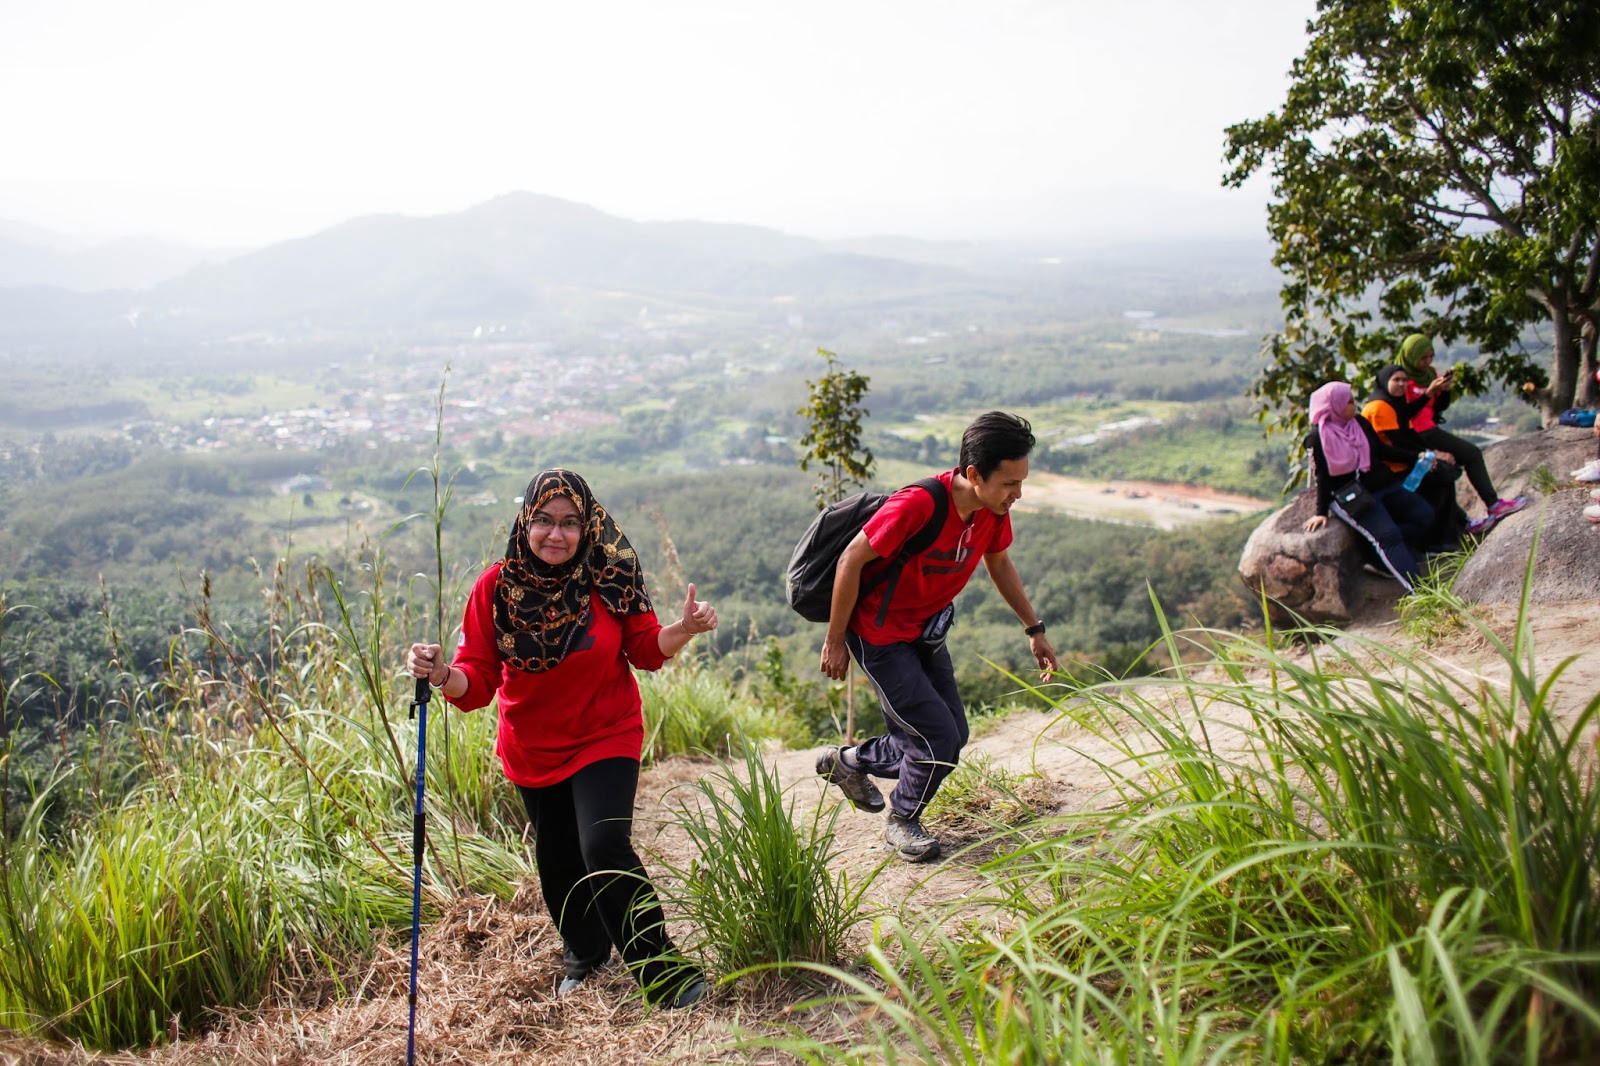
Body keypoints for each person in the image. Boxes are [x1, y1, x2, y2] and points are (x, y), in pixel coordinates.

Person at [405, 469, 714, 1008]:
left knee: (602, 845)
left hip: (606, 732)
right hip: (532, 746)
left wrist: (683, 628)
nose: (557, 534)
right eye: (545, 520)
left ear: (587, 524)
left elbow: (644, 649)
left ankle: (662, 969)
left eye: (570, 522)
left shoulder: (610, 575)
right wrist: (438, 674)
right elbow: (475, 682)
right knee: (559, 864)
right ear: (526, 520)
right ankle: (585, 953)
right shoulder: (494, 588)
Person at [815, 411, 1059, 863]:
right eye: (1008, 483)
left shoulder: (990, 511)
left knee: (952, 737)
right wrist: (835, 640)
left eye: (1021, 482)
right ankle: (902, 821)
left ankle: (849, 762)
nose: (1017, 494)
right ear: (973, 474)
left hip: (925, 633)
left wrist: (1034, 629)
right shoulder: (919, 505)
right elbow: (851, 561)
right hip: (879, 636)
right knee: (936, 740)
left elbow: (999, 563)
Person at [1302, 381, 1434, 590]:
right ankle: (1420, 590)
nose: (1354, 405)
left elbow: (1381, 451)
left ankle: (1380, 557)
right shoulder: (1318, 438)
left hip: (1381, 482)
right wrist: (1321, 511)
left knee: (1424, 515)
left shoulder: (1359, 423)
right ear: (1333, 405)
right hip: (1350, 493)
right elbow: (1322, 478)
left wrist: (1416, 457)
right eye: (1349, 402)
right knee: (1388, 536)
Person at [1395, 334, 1527, 522]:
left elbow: (1438, 407)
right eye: (1423, 358)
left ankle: (1492, 505)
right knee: (1469, 455)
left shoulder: (1430, 374)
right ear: (1410, 355)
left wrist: (1444, 390)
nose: (1427, 361)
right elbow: (1403, 413)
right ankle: (1470, 518)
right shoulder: (1400, 378)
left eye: (1431, 357)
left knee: (1469, 455)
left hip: (1431, 429)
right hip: (1415, 434)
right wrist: (1428, 393)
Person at [1361, 365, 1473, 544]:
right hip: (1392, 469)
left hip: (1406, 461)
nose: (1401, 384)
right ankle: (1437, 541)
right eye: (1396, 380)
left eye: (1404, 380)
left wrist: (1434, 453)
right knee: (1439, 484)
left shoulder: (1394, 404)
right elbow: (1396, 443)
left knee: (1444, 477)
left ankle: (1452, 532)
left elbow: (1410, 431)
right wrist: (1429, 455)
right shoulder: (1380, 407)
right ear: (1384, 381)